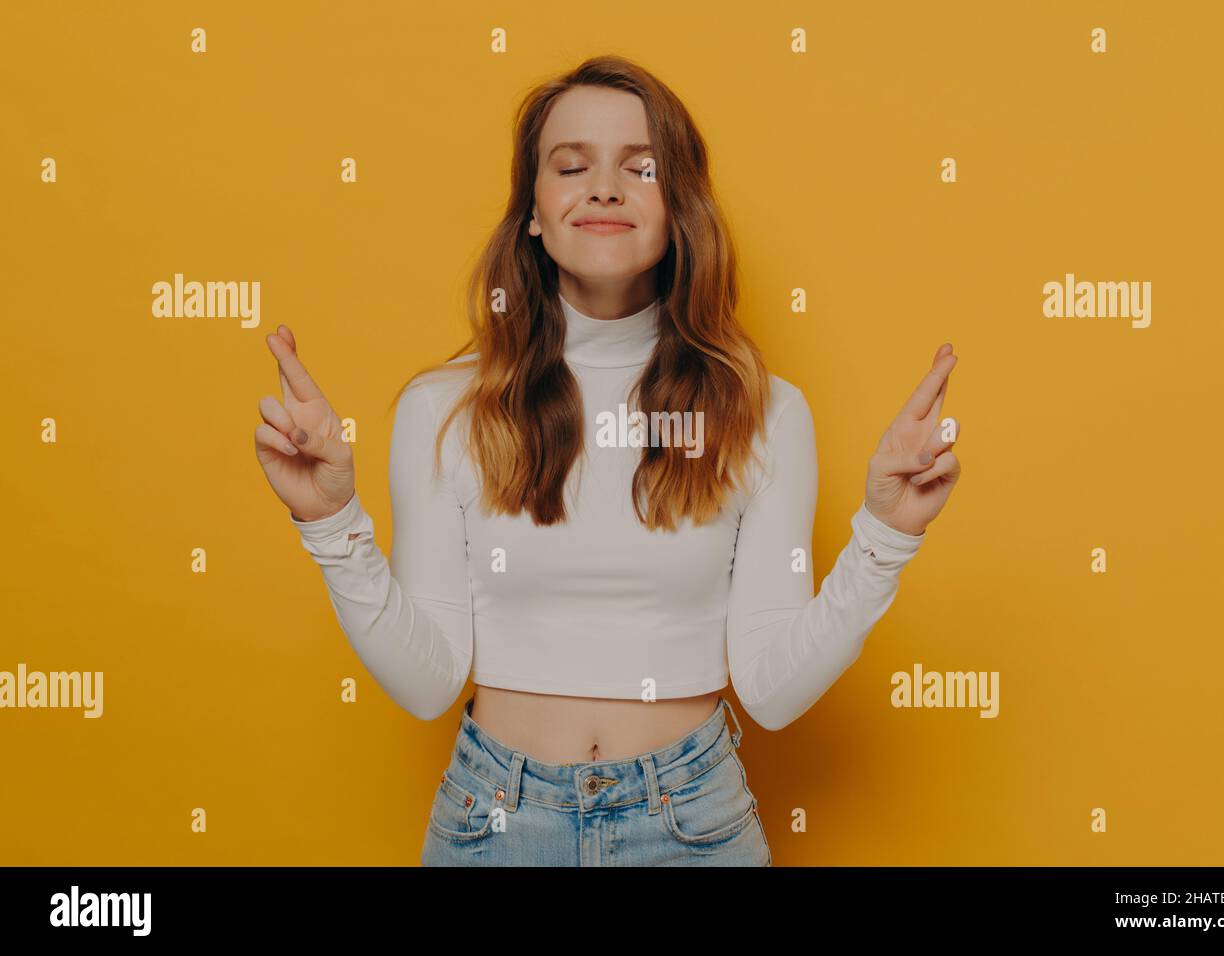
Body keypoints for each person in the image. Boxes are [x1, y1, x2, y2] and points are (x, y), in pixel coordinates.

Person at [252, 55, 961, 867]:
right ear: (532, 212)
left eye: (641, 166)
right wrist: (330, 521)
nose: (604, 188)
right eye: (571, 165)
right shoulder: (442, 408)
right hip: (495, 823)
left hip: (694, 824)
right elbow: (427, 682)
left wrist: (885, 538)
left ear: (678, 210)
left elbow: (770, 689)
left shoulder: (764, 411)